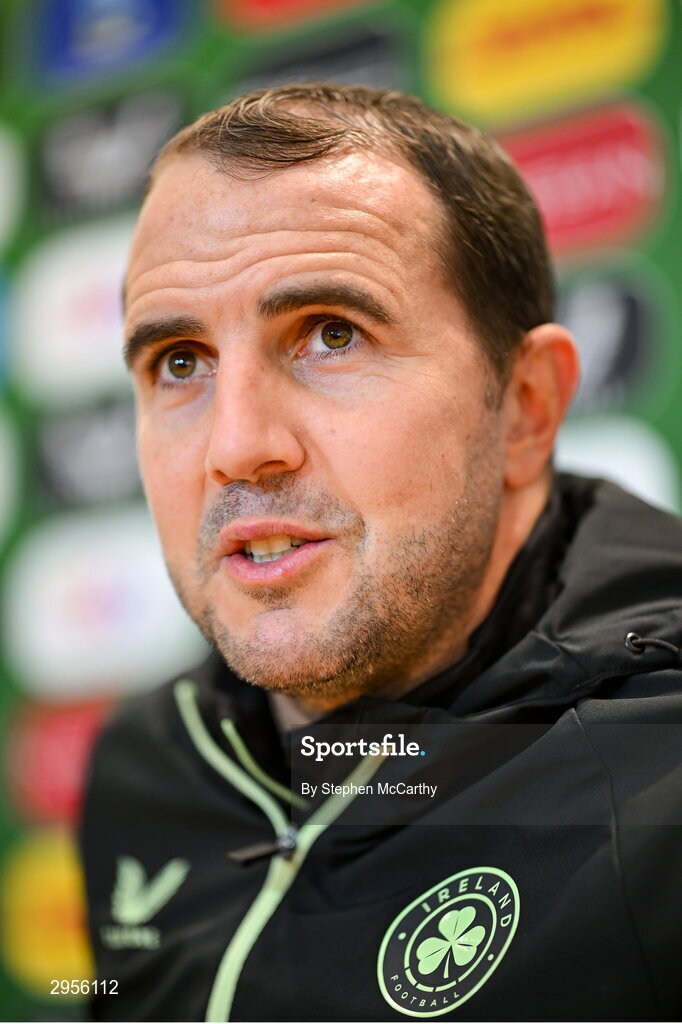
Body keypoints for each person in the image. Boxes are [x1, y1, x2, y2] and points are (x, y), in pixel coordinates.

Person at [79, 82, 682, 1022]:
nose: (236, 446)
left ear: (526, 409)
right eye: (182, 362)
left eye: (330, 334)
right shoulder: (146, 768)